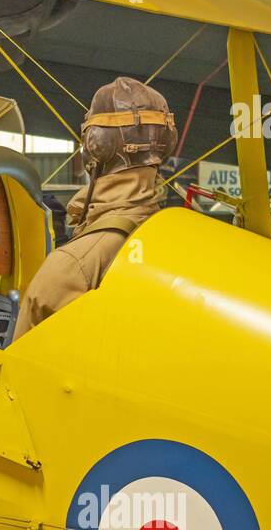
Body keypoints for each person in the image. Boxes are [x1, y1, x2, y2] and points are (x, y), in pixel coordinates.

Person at [14, 77, 176, 338]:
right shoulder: (176, 237)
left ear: (95, 144)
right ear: (167, 141)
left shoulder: (72, 265)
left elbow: (15, 371)